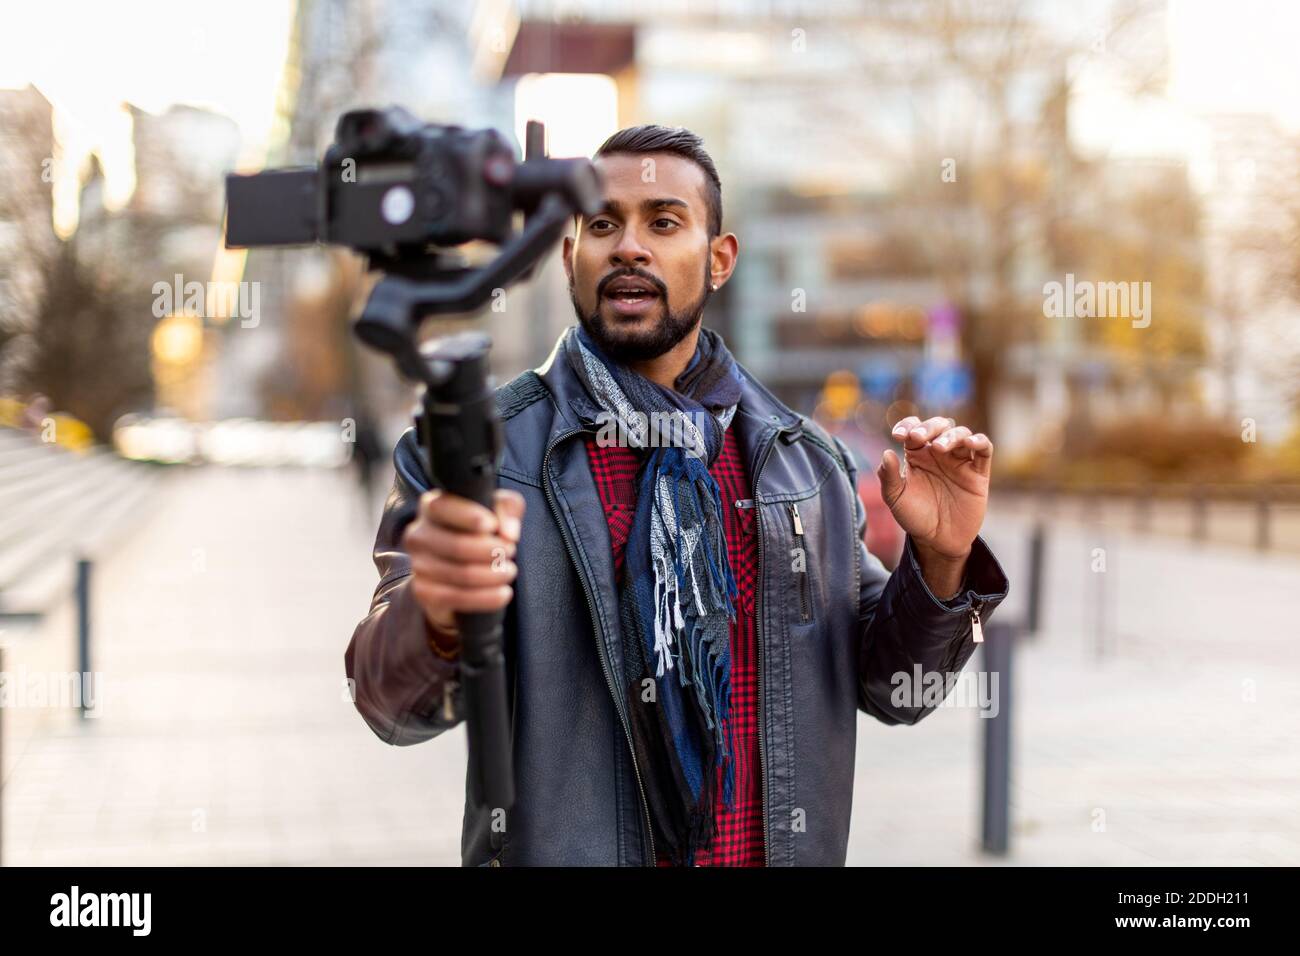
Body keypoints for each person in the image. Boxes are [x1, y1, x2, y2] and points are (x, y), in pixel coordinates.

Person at [345, 125, 1010, 867]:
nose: (630, 246)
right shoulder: (476, 454)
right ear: (570, 256)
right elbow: (389, 708)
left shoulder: (801, 462)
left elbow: (897, 692)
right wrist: (435, 614)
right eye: (602, 224)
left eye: (664, 221)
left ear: (719, 259)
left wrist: (943, 561)